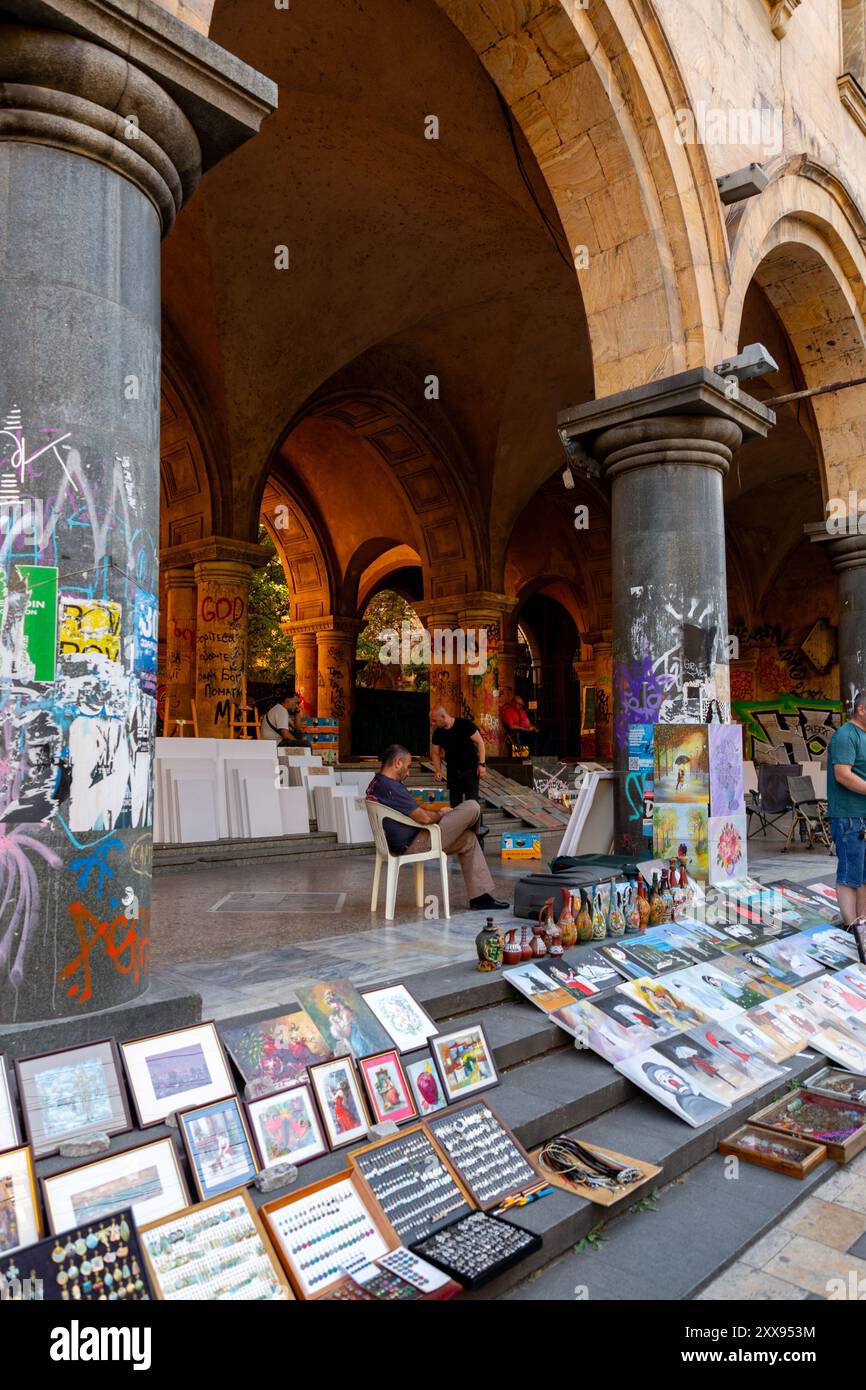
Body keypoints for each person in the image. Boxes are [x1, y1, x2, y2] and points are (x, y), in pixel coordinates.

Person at [366, 744, 508, 910]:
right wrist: (443, 814)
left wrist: (441, 813)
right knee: (472, 806)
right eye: (408, 767)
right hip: (415, 844)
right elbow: (425, 818)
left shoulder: (377, 782)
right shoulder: (391, 787)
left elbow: (416, 812)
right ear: (398, 762)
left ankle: (480, 898)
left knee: (469, 839)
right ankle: (478, 829)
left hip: (409, 840)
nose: (408, 772)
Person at [827, 690, 866, 932]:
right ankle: (851, 927)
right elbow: (842, 775)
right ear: (861, 710)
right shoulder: (846, 735)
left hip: (861, 816)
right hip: (849, 817)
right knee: (850, 873)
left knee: (862, 875)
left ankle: (862, 928)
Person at [430, 706, 486, 806]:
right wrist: (438, 770)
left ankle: (477, 822)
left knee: (472, 803)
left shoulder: (465, 724)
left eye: (434, 721)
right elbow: (435, 753)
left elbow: (480, 742)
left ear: (443, 717)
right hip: (452, 772)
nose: (432, 724)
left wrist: (482, 764)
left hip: (470, 770)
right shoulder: (438, 733)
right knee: (454, 804)